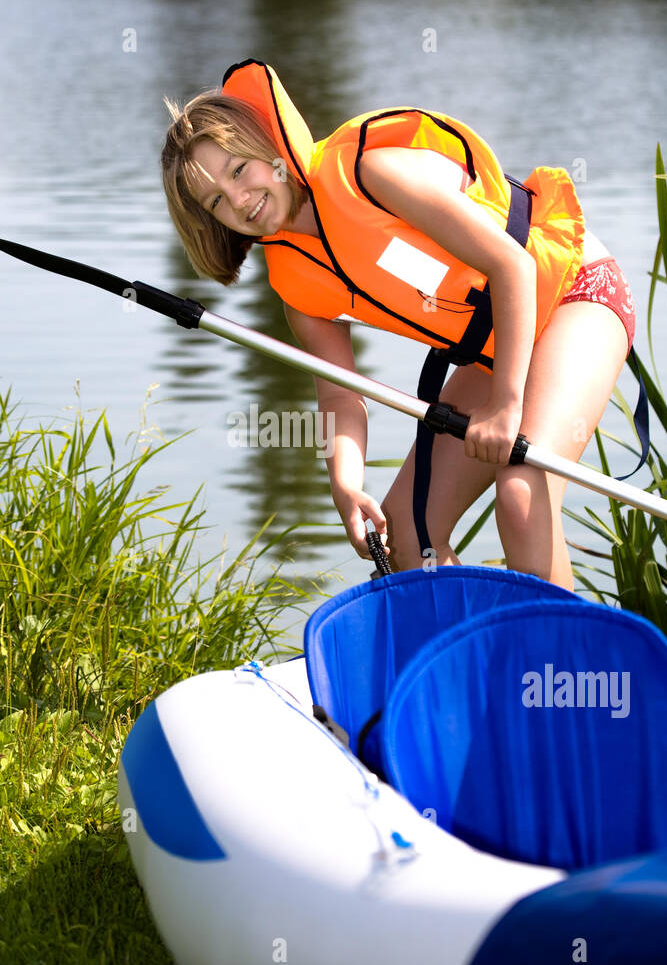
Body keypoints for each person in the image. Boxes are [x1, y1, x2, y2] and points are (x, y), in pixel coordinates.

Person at [161, 60, 641, 591]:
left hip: (574, 294)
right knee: (407, 535)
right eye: (215, 203)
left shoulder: (370, 172)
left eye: (237, 170)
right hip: (497, 348)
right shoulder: (297, 288)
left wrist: (505, 404)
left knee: (522, 491)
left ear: (269, 144)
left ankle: (565, 671)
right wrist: (345, 483)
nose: (239, 200)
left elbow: (513, 266)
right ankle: (471, 662)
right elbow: (343, 398)